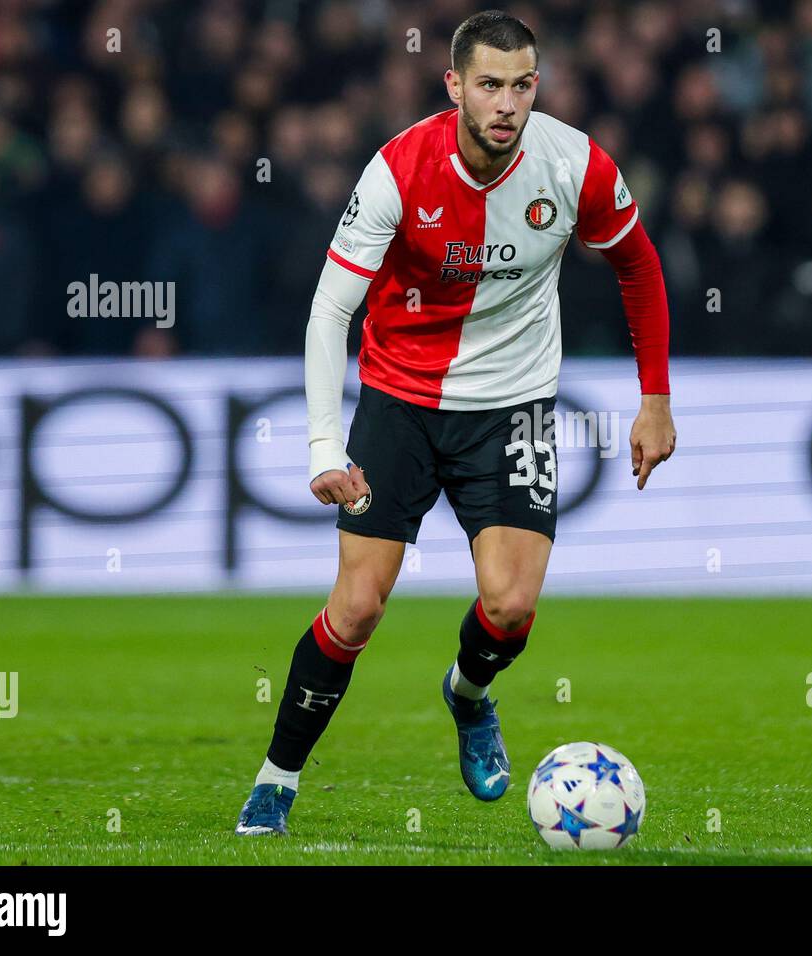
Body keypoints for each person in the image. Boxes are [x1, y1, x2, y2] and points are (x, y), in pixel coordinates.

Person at [235, 10, 675, 835]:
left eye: (521, 85)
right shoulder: (398, 172)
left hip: (511, 405)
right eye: (489, 85)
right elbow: (331, 312)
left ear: (535, 86)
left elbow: (639, 264)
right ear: (455, 87)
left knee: (509, 607)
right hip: (401, 403)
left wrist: (655, 398)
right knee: (358, 608)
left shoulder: (573, 163)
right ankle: (278, 777)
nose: (507, 104)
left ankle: (469, 696)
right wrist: (326, 444)